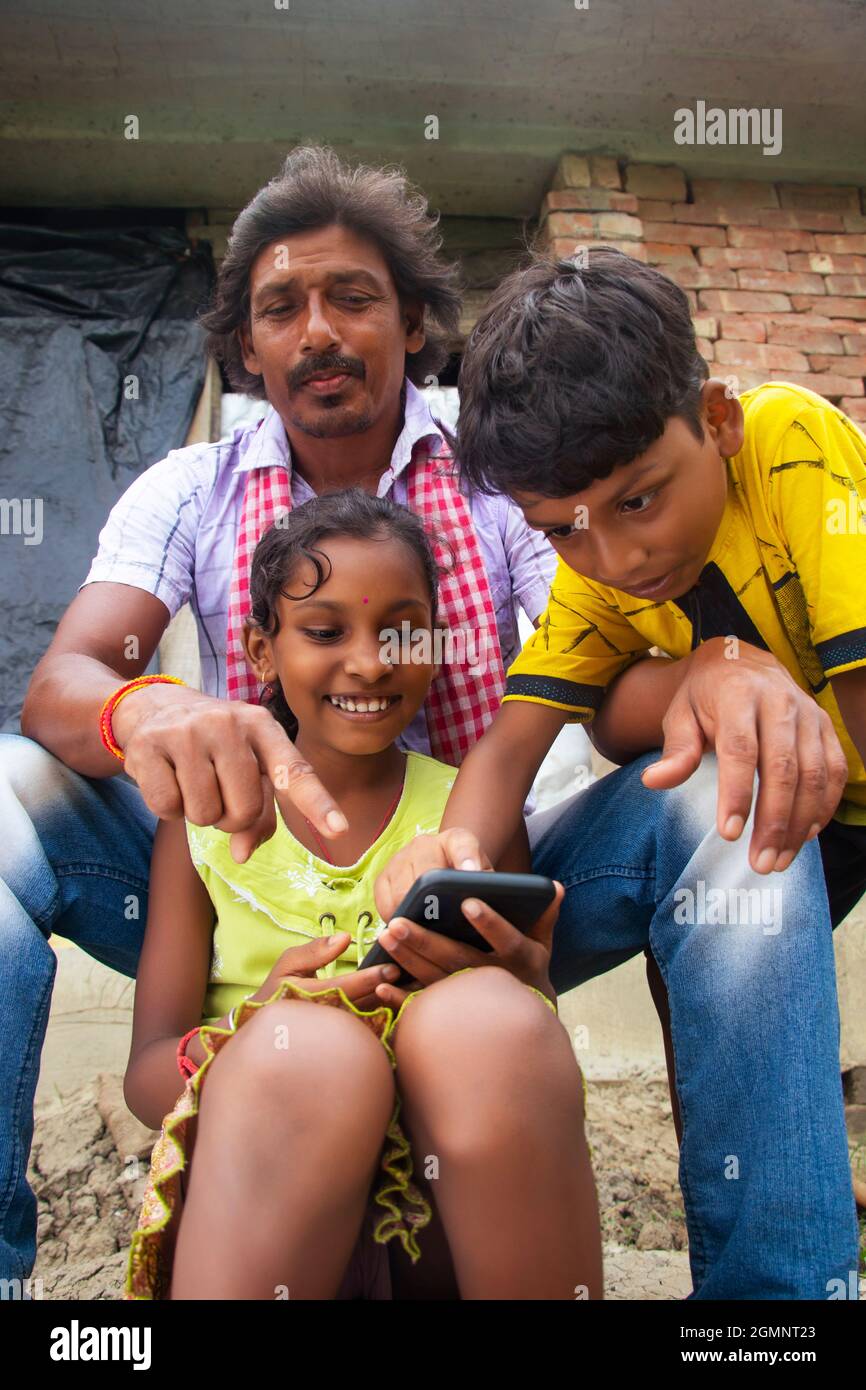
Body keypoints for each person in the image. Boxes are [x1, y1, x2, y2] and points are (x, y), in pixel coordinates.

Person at [0, 144, 556, 1287]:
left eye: (352, 297)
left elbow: (594, 664)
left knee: (710, 829)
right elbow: (61, 687)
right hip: (241, 872)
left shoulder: (503, 470)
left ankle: (779, 1300)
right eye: (279, 308)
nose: (316, 332)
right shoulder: (188, 485)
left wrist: (715, 666)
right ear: (245, 349)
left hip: (486, 864)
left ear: (411, 321)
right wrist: (148, 710)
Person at [374, 247, 863, 1300]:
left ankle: (776, 1302)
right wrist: (454, 858)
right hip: (755, 820)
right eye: (561, 529)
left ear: (715, 421)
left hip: (838, 788)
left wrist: (747, 692)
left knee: (729, 806)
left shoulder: (784, 446)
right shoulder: (593, 566)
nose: (616, 559)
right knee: (701, 814)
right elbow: (508, 745)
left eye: (640, 500)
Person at [122, 490, 601, 1300]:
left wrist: (526, 988)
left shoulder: (468, 814)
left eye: (403, 631)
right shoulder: (205, 823)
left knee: (487, 1024)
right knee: (307, 1051)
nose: (373, 661)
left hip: (443, 1231)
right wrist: (249, 1030)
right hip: (266, 1216)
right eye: (324, 631)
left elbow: (529, 1030)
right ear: (262, 653)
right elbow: (144, 1075)